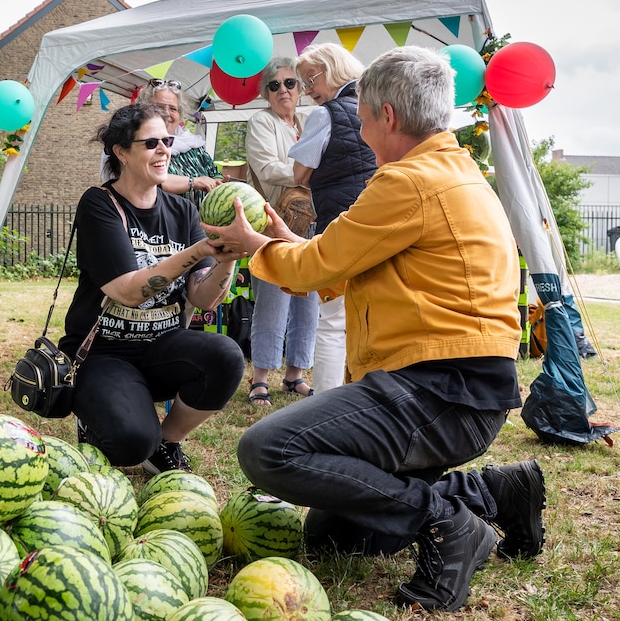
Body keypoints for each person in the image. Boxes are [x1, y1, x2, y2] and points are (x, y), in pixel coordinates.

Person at [203, 46, 546, 612]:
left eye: (360, 118)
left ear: (387, 116)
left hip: (439, 391)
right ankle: (494, 492)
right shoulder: (450, 171)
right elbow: (340, 261)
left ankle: (447, 523)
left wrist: (253, 247)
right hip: (462, 391)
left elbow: (316, 268)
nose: (358, 132)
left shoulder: (407, 183)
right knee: (339, 535)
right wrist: (282, 242)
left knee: (268, 451)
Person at [61, 103, 245, 474]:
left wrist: (228, 256)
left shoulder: (183, 211)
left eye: (167, 140)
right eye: (151, 143)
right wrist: (198, 250)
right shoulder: (100, 204)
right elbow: (127, 291)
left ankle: (165, 441)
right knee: (129, 443)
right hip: (104, 353)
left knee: (225, 356)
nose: (164, 150)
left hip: (163, 346)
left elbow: (202, 297)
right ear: (121, 152)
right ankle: (101, 416)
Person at [287, 43, 378, 393]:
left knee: (333, 321)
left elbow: (299, 174)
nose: (306, 90)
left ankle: (325, 401)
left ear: (333, 69)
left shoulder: (326, 114)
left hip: (340, 225)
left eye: (310, 79)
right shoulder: (374, 107)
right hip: (378, 219)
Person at [243, 58, 319, 405]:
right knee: (273, 300)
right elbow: (267, 168)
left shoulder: (307, 122)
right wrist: (309, 171)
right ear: (266, 94)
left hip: (310, 221)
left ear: (300, 89)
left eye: (290, 83)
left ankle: (294, 375)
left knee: (308, 300)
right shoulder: (261, 121)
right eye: (274, 85)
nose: (283, 90)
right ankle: (260, 377)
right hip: (273, 219)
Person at [134, 79, 225, 206]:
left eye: (173, 109)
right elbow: (150, 181)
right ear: (143, 110)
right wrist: (195, 182)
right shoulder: (140, 144)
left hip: (201, 223)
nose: (166, 113)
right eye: (159, 107)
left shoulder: (194, 145)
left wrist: (220, 185)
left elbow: (214, 174)